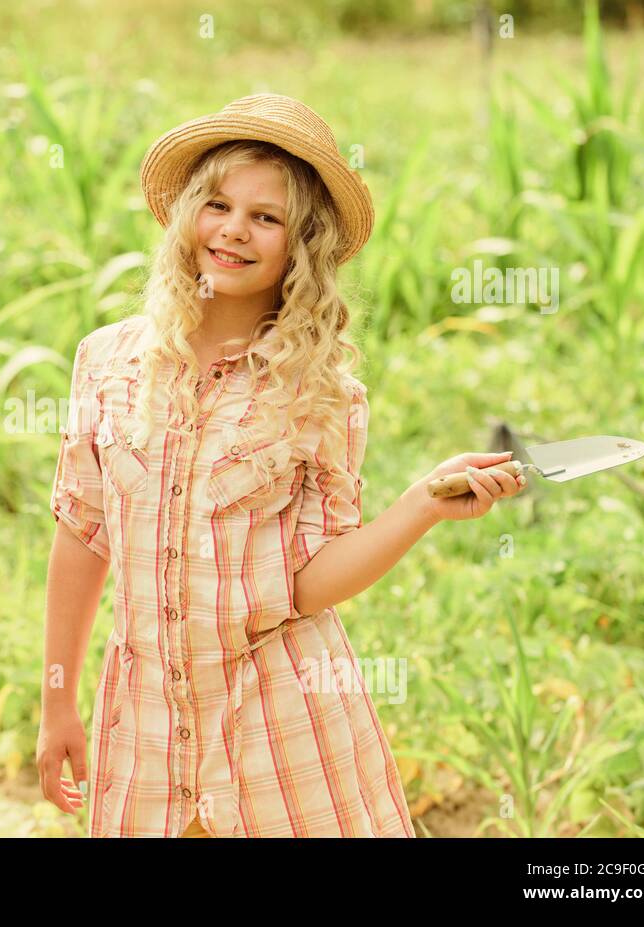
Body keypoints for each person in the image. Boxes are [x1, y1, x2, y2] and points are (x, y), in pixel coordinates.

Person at [36, 94, 525, 837]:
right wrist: (57, 698)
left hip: (281, 723)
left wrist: (421, 503)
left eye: (266, 218)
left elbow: (307, 583)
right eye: (218, 205)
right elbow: (81, 532)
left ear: (300, 246)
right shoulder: (108, 362)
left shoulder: (321, 392)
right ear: (186, 216)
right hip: (148, 723)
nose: (233, 231)